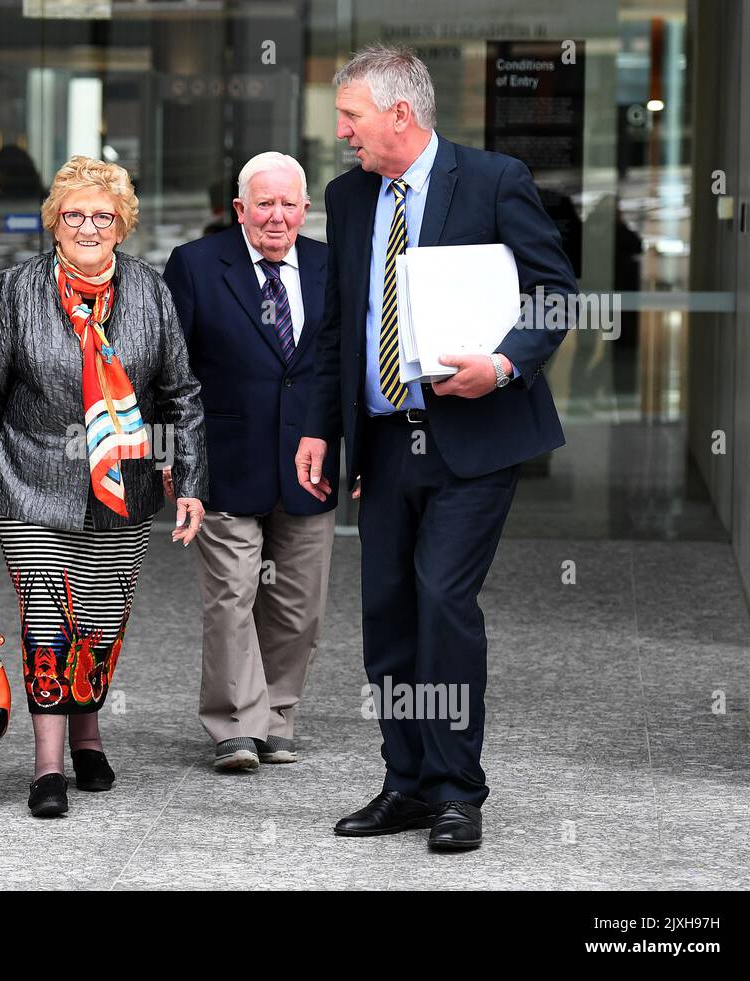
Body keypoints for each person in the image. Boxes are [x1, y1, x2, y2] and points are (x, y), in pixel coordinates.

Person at [296, 45, 577, 851]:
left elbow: (555, 293)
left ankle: (457, 790)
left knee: (443, 603)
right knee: (388, 614)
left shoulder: (491, 181)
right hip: (385, 443)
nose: (342, 132)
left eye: (350, 117)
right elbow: (338, 324)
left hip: (476, 439)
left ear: (399, 114)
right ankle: (406, 782)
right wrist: (322, 426)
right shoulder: (349, 197)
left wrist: (503, 363)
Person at [0, 155, 208, 818]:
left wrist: (189, 481)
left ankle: (88, 735)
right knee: (47, 625)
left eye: (103, 215)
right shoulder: (16, 289)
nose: (88, 226)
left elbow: (182, 394)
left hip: (122, 486)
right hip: (31, 479)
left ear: (121, 225)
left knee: (98, 626)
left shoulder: (151, 292)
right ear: (54, 224)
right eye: (74, 215)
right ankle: (47, 767)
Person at [164, 151, 337, 772]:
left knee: (298, 602)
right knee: (232, 595)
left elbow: (342, 366)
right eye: (263, 203)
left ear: (305, 210)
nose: (277, 215)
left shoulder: (328, 265)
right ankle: (235, 723)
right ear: (239, 209)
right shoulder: (196, 264)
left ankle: (278, 715)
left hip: (309, 462)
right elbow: (170, 368)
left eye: (289, 203)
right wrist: (175, 455)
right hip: (224, 460)